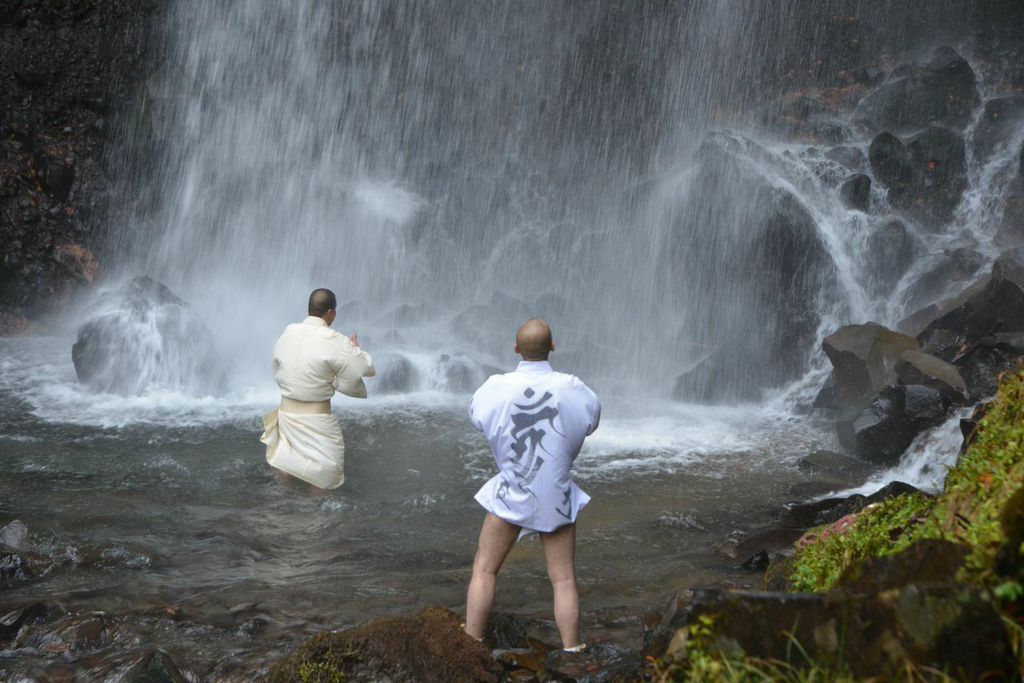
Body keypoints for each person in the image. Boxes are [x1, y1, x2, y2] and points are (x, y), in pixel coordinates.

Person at [464, 318, 601, 651]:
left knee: (484, 569)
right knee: (564, 579)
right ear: (553, 347)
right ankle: (571, 651)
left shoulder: (496, 387)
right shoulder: (572, 387)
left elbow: (477, 417)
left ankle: (471, 641)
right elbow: (591, 420)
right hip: (554, 495)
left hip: (512, 492)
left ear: (516, 349)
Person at [259, 288, 375, 489]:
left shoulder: (289, 331)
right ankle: (319, 519)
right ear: (331, 313)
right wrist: (353, 349)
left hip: (286, 417)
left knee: (286, 467)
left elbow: (277, 364)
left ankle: (281, 511)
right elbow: (364, 368)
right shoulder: (334, 339)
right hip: (317, 421)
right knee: (323, 476)